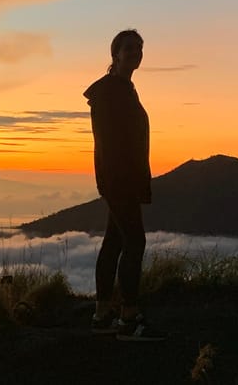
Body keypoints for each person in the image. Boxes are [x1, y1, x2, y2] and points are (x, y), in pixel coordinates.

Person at [84, 29, 166, 342]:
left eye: (140, 48)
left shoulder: (123, 88)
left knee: (114, 242)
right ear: (115, 53)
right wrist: (120, 180)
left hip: (121, 179)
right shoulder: (110, 91)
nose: (136, 53)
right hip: (120, 179)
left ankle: (102, 314)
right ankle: (128, 319)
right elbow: (109, 142)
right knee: (135, 242)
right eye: (130, 48)